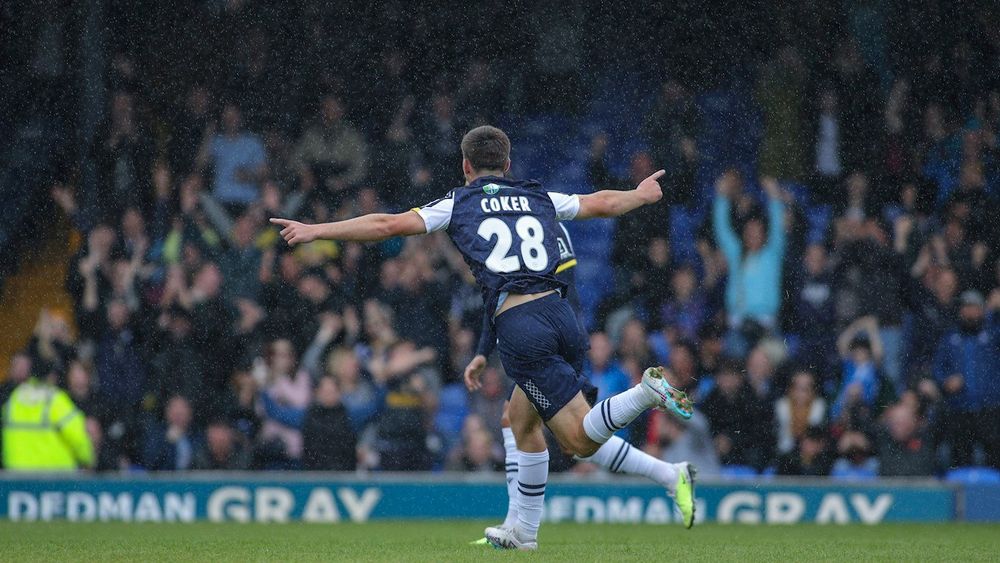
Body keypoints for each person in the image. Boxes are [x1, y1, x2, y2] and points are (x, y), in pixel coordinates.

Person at [272, 125, 696, 550]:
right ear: (508, 166)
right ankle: (523, 533)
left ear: (465, 165)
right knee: (518, 420)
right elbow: (600, 202)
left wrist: (317, 230)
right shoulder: (537, 195)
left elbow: (386, 224)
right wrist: (639, 195)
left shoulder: (459, 202)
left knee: (579, 440)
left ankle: (646, 392)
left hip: (522, 329)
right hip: (561, 314)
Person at [464, 225, 688, 545]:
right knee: (524, 423)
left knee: (573, 439)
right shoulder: (540, 225)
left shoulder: (533, 227)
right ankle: (515, 526)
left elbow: (561, 290)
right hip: (550, 336)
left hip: (547, 341)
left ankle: (518, 527)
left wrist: (567, 349)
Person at [2, 372, 94, 471]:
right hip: (54, 478)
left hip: (14, 478)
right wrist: (88, 459)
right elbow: (77, 437)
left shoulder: (14, 397)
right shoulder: (55, 399)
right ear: (53, 377)